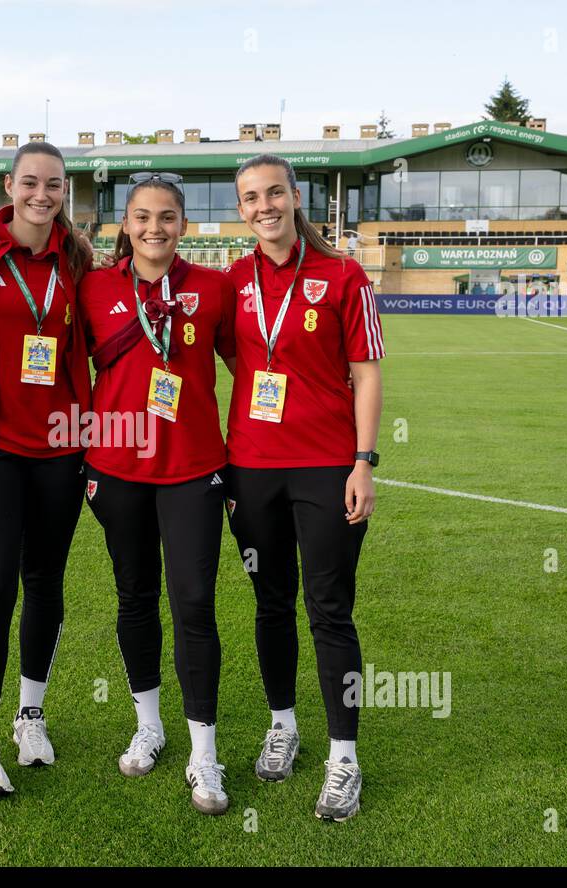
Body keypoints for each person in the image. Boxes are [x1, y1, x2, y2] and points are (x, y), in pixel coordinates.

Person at [224, 154, 385, 822]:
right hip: (252, 467)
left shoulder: (342, 274)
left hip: (326, 468)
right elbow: (235, 357)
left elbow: (367, 373)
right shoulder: (231, 280)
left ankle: (343, 758)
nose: (263, 206)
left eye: (273, 194)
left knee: (329, 610)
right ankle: (283, 725)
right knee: (270, 604)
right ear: (242, 209)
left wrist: (364, 461)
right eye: (250, 198)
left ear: (295, 197)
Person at [77, 172, 238, 814]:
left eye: (167, 217)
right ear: (126, 225)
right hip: (116, 470)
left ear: (184, 225)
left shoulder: (214, 288)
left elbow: (254, 366)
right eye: (142, 217)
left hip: (194, 470)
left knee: (195, 604)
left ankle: (204, 753)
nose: (154, 229)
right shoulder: (94, 288)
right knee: (135, 597)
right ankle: (150, 723)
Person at [0, 141, 93, 799]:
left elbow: (95, 352)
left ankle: (31, 716)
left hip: (60, 449)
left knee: (46, 582)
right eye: (29, 182)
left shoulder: (80, 262)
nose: (41, 194)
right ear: (9, 185)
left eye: (53, 185)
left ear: (66, 190)